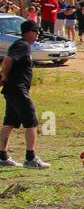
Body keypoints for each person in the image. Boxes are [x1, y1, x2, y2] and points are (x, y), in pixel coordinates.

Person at [0, 21, 51, 169]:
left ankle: (2, 157)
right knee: (32, 121)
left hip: (13, 90)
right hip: (17, 89)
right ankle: (31, 158)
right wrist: (4, 75)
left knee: (9, 123)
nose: (37, 35)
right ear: (28, 32)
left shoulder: (21, 45)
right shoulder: (22, 45)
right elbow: (7, 61)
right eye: (35, 32)